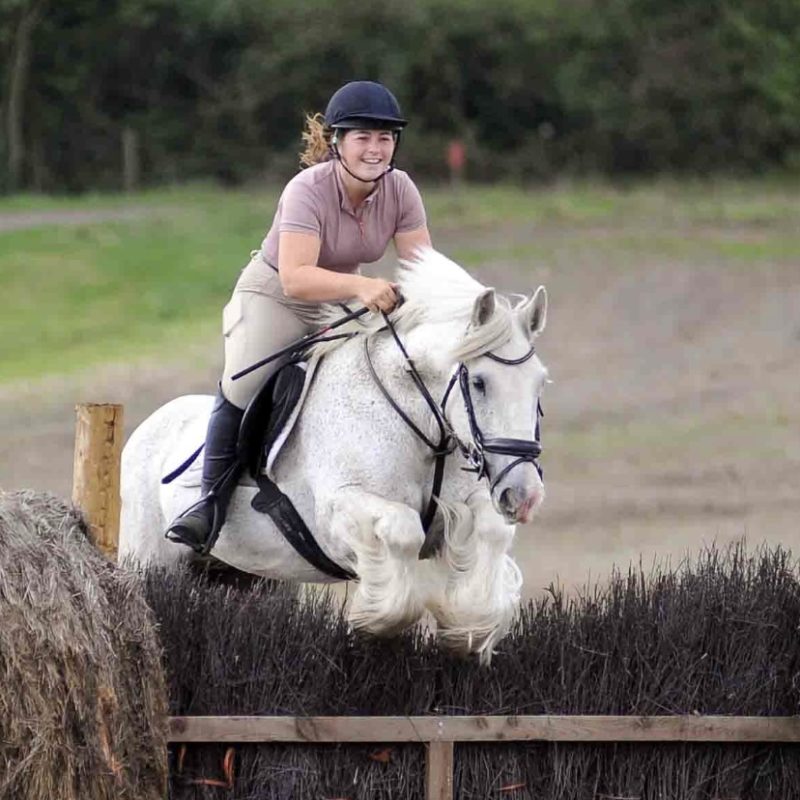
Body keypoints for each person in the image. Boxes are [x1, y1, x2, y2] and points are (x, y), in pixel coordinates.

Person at [165, 80, 433, 552]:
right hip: (278, 295)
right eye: (363, 138)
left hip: (343, 298)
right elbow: (296, 277)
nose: (375, 149)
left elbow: (422, 268)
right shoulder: (306, 189)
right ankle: (208, 504)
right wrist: (363, 285)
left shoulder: (401, 189)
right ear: (337, 142)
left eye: (385, 138)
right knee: (245, 383)